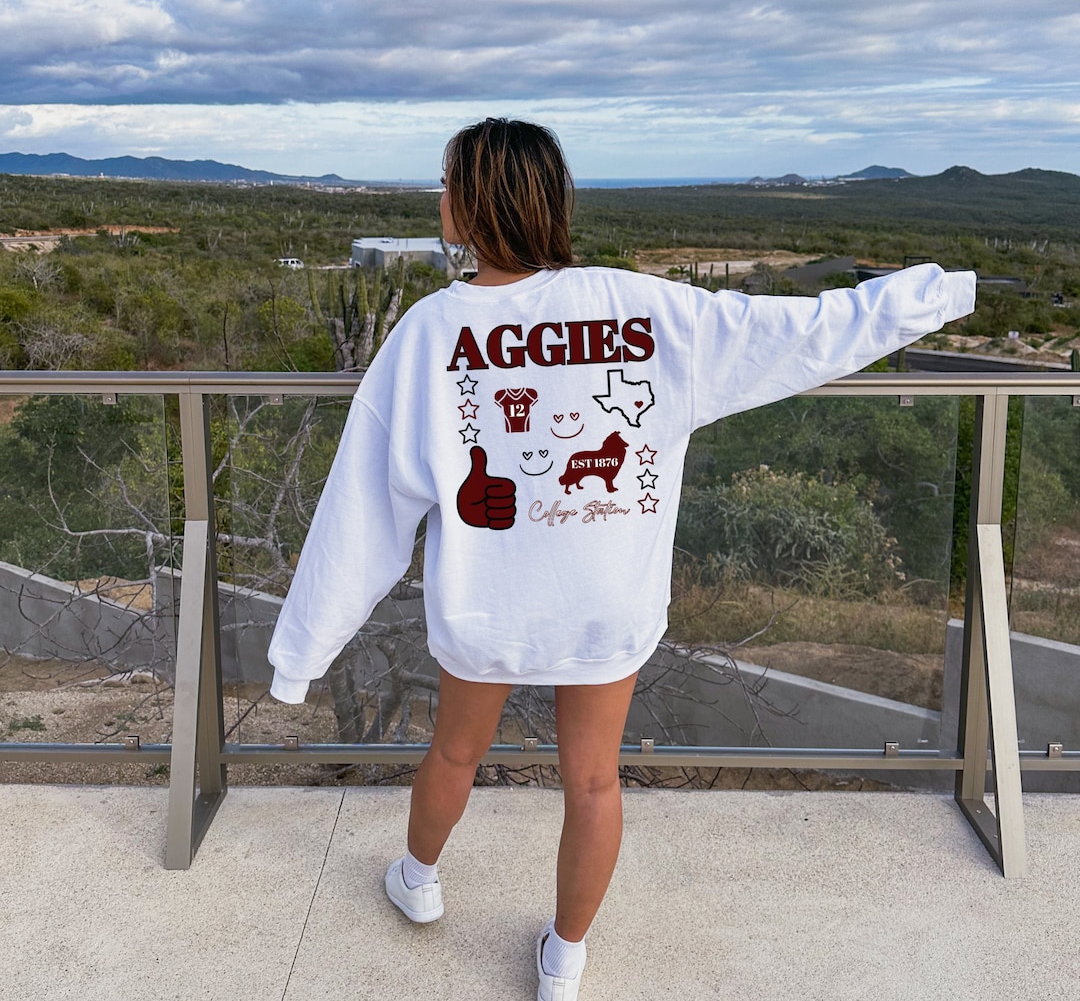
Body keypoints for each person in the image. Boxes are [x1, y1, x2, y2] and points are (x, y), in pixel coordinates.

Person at [267, 118, 976, 999]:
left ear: (476, 205)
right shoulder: (643, 307)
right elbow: (797, 332)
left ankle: (416, 881)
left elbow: (364, 508)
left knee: (453, 756)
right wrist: (936, 295)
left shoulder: (431, 333)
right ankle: (564, 960)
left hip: (488, 600)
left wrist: (302, 652)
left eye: (447, 182)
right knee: (595, 780)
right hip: (607, 599)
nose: (438, 198)